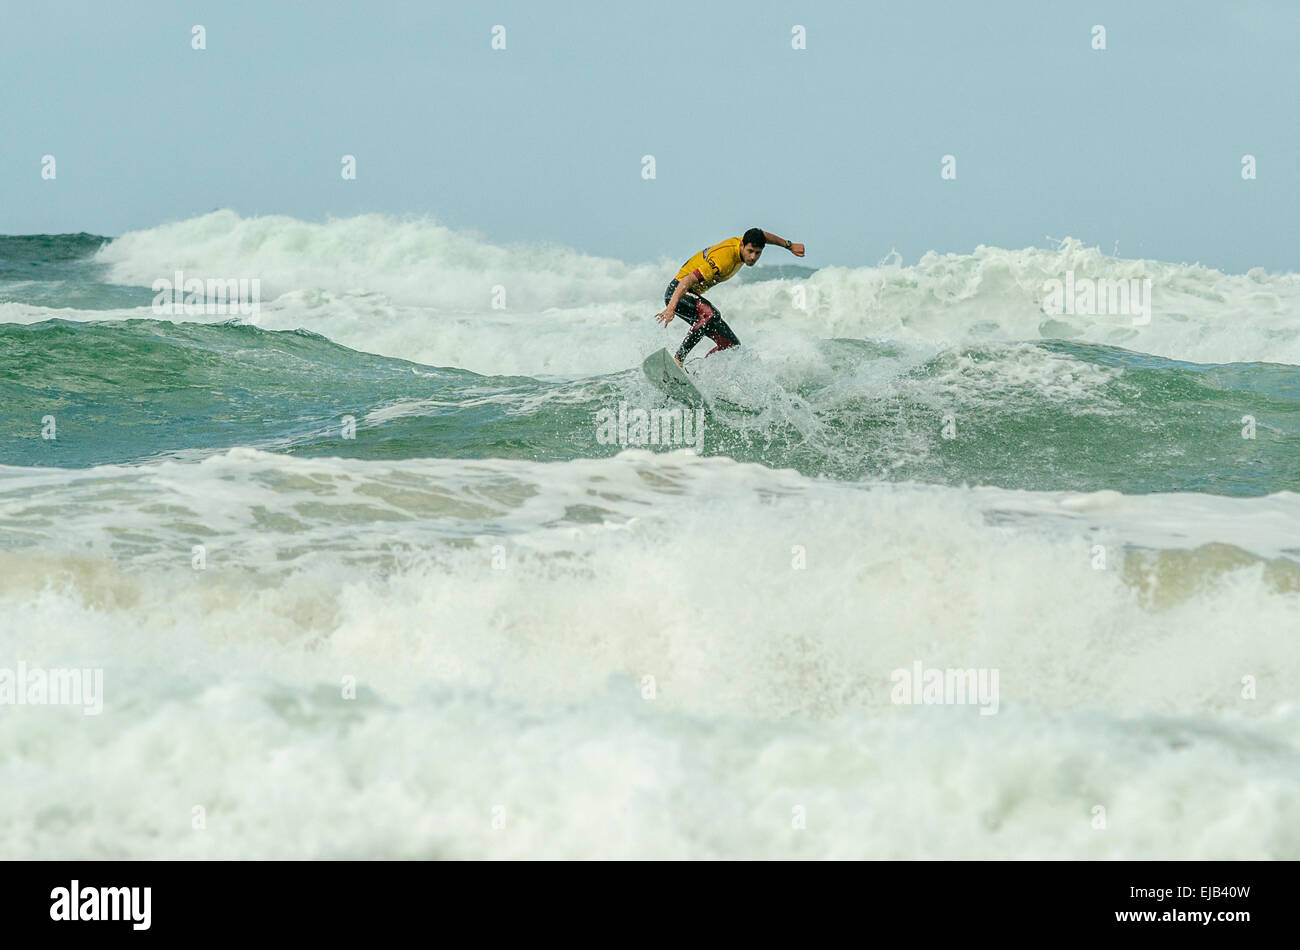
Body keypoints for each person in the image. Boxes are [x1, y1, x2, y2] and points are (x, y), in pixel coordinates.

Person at [655, 228, 805, 366]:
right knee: (711, 315)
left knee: (732, 346)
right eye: (750, 251)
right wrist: (671, 308)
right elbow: (687, 280)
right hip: (678, 292)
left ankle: (699, 373)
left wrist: (789, 245)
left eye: (757, 253)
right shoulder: (723, 259)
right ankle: (678, 360)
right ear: (742, 245)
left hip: (691, 295)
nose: (753, 257)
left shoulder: (749, 241)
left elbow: (764, 236)